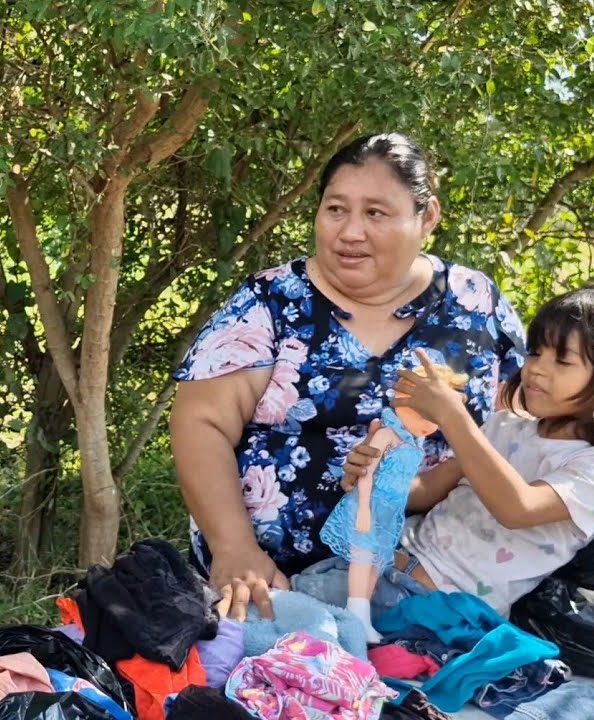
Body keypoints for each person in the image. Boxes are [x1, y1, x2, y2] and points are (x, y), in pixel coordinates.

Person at [170, 133, 527, 619]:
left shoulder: (474, 302)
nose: (350, 232)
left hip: (437, 576)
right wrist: (234, 548)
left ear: (428, 218)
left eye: (376, 213)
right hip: (272, 582)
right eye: (336, 209)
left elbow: (524, 414)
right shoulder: (271, 303)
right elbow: (200, 423)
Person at [298, 285, 594, 618]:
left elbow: (517, 508)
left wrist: (453, 416)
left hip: (436, 605)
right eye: (535, 352)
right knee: (275, 612)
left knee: (280, 621)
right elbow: (426, 492)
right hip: (379, 563)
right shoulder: (504, 428)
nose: (536, 369)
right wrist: (375, 474)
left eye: (562, 361)